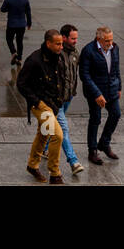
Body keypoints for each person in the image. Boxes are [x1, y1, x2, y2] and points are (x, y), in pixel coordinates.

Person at [16, 29, 68, 184]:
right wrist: (37, 102)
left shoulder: (59, 57)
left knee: (43, 134)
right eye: (57, 44)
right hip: (41, 105)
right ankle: (55, 173)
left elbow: (61, 79)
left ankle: (32, 165)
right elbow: (21, 84)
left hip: (53, 104)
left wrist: (59, 102)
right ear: (48, 43)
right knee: (57, 135)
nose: (60, 47)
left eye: (61, 44)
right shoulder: (34, 60)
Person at [43, 23, 84, 176]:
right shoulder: (55, 55)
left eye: (76, 38)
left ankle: (44, 148)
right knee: (63, 128)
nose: (75, 41)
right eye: (73, 38)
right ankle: (73, 161)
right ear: (64, 37)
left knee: (54, 126)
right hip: (56, 99)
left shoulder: (75, 53)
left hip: (68, 96)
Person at [78, 25, 122, 164]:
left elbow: (116, 68)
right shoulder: (88, 50)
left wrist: (119, 86)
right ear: (99, 39)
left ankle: (104, 143)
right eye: (107, 41)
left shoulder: (115, 48)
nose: (110, 44)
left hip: (111, 89)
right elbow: (84, 75)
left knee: (116, 114)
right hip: (95, 92)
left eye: (111, 40)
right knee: (95, 118)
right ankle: (92, 150)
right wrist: (97, 94)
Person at [1, 0, 32, 66]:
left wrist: (9, 9)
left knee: (9, 39)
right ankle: (20, 59)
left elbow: (2, 9)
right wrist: (29, 24)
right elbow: (28, 13)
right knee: (19, 41)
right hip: (21, 24)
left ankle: (13, 52)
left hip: (11, 24)